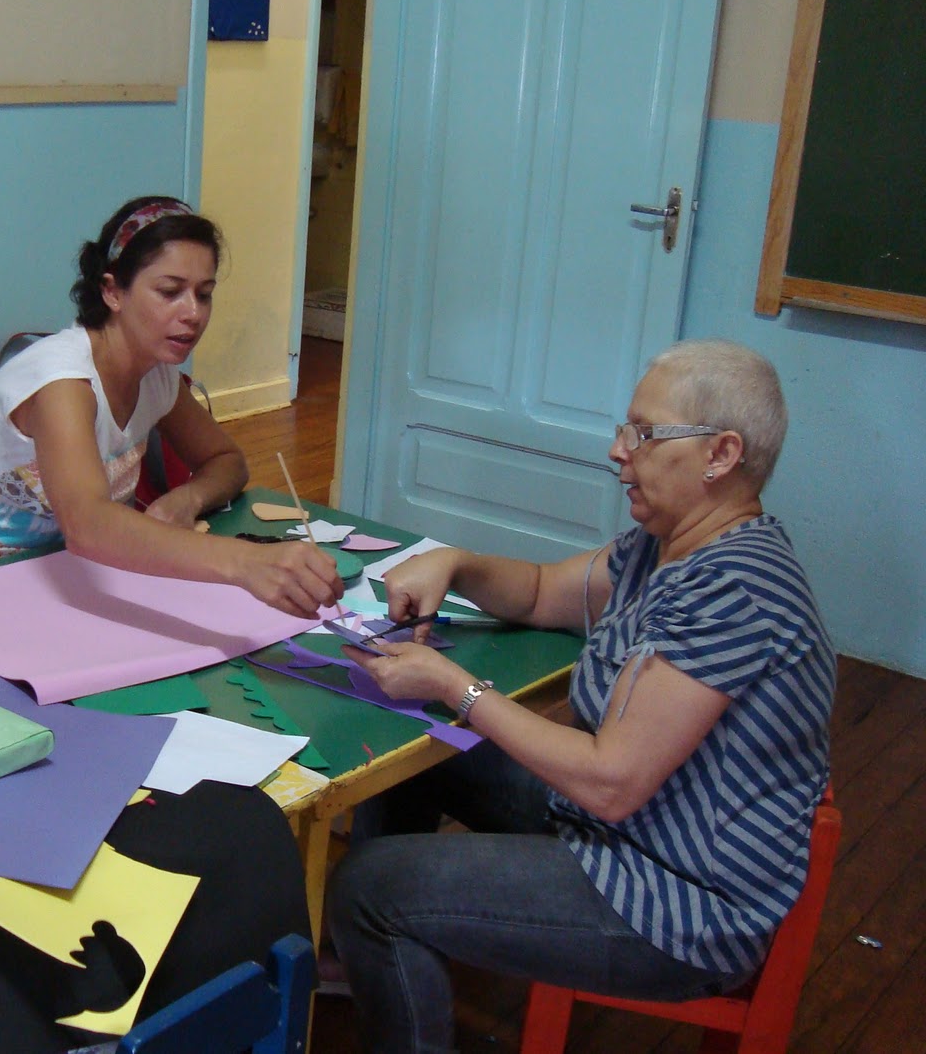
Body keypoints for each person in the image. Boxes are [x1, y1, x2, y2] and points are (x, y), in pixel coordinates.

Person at [326, 339, 835, 1054]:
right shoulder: (665, 547)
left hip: (677, 898)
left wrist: (454, 683)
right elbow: (539, 593)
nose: (616, 450)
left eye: (643, 433)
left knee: (368, 889)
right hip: (638, 829)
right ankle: (374, 961)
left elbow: (610, 781)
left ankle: (376, 934)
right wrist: (456, 561)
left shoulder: (732, 590)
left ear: (721, 454)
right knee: (420, 744)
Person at [0, 195, 342, 618]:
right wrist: (247, 563)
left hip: (57, 587)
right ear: (112, 292)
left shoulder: (158, 376)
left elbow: (226, 461)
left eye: (203, 294)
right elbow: (88, 524)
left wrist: (187, 499)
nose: (193, 313)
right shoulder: (61, 380)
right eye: (170, 291)